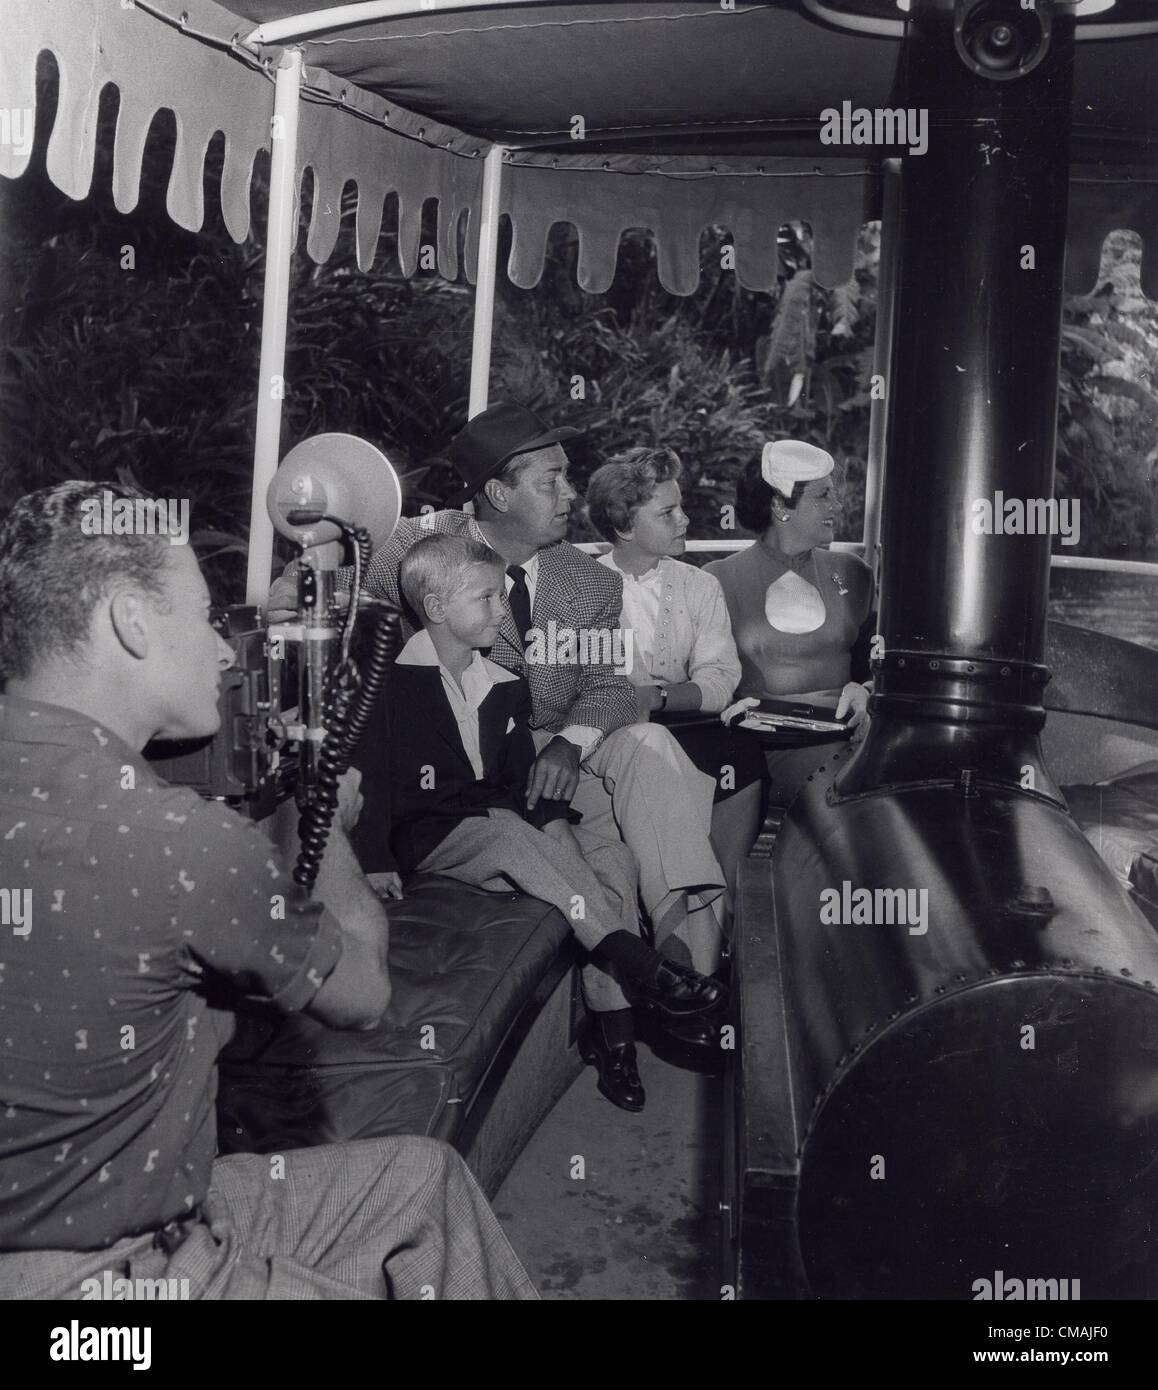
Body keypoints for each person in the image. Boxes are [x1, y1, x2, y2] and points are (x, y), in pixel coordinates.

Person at [0, 481, 536, 1300]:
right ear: (130, 622)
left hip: (93, 1216)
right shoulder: (180, 842)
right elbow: (361, 993)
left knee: (421, 1180)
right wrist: (318, 803)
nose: (222, 650)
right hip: (105, 1291)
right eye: (202, 615)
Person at [270, 402, 729, 1086]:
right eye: (551, 480)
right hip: (446, 768)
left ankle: (683, 960)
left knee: (650, 754)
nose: (572, 494)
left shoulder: (588, 581)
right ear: (497, 492)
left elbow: (607, 687)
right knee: (596, 839)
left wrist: (569, 744)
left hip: (545, 749)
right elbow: (324, 602)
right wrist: (290, 594)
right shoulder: (415, 548)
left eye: (568, 478)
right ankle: (647, 987)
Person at [358, 533, 723, 1112]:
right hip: (430, 835)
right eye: (485, 600)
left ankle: (615, 1036)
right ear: (435, 610)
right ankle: (647, 968)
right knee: (507, 834)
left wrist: (561, 837)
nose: (502, 613)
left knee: (609, 854)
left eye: (502, 598)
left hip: (502, 826)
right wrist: (374, 861)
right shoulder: (388, 687)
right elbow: (370, 782)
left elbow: (527, 787)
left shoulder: (505, 688)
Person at [586, 447, 765, 970]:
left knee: (742, 754)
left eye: (680, 507)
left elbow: (720, 678)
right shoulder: (581, 585)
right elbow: (588, 690)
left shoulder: (699, 584)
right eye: (667, 513)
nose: (685, 519)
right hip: (613, 736)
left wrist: (659, 696)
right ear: (623, 525)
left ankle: (724, 918)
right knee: (658, 761)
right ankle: (696, 944)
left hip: (685, 723)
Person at [705, 439, 875, 807]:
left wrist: (868, 689)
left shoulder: (854, 573)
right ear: (781, 505)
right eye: (822, 496)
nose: (838, 505)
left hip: (856, 738)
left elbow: (877, 663)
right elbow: (707, 680)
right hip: (769, 751)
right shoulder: (718, 580)